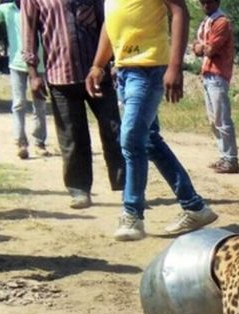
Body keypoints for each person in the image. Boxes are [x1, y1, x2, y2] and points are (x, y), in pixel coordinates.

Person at [87, 0, 217, 241]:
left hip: (148, 70)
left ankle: (132, 215)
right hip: (124, 71)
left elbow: (179, 11)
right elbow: (111, 21)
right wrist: (98, 64)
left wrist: (175, 66)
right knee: (148, 141)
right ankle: (195, 207)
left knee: (131, 139)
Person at [21, 0, 125, 209]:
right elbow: (29, 34)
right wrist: (33, 75)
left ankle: (127, 188)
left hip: (98, 73)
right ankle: (79, 190)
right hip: (61, 77)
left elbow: (107, 22)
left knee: (114, 131)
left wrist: (113, 62)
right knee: (72, 137)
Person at [0, 0, 49, 160]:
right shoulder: (8, 9)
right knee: (18, 104)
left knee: (40, 105)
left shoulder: (40, 4)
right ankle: (20, 143)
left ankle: (39, 143)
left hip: (40, 64)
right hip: (17, 64)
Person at [192, 0, 239, 174]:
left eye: (208, 1)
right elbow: (196, 47)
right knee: (214, 119)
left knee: (222, 118)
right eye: (202, 2)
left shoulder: (222, 22)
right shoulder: (207, 22)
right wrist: (200, 47)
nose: (205, 5)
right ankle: (224, 156)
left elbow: (210, 49)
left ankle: (231, 158)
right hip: (207, 73)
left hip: (218, 74)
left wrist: (200, 47)